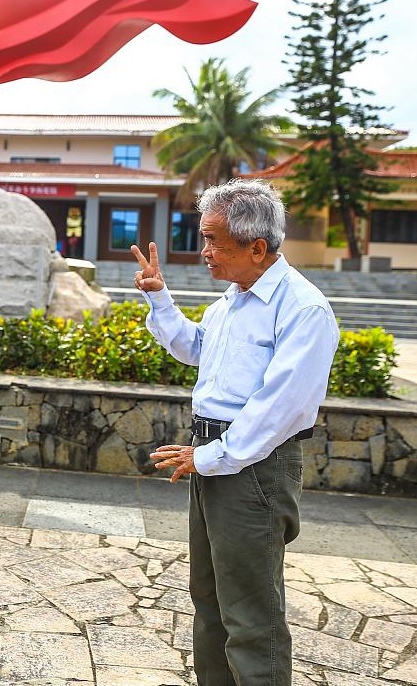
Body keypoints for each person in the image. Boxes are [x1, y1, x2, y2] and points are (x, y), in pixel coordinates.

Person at [135, 180, 339, 686]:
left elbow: (280, 407)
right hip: (216, 453)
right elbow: (194, 349)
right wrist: (160, 298)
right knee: (208, 597)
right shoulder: (230, 302)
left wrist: (212, 456)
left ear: (257, 247)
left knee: (251, 611)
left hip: (253, 466)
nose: (204, 252)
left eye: (212, 240)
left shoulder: (302, 308)